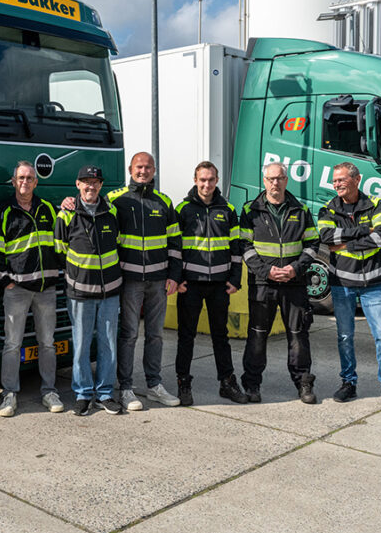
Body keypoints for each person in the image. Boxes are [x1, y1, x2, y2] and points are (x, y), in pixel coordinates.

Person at [318, 162, 381, 415]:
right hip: (342, 284)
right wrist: (365, 230)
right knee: (345, 337)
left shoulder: (376, 204)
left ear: (356, 180)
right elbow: (326, 238)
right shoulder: (327, 208)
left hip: (373, 284)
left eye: (341, 179)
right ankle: (348, 383)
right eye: (334, 181)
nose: (337, 184)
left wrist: (346, 245)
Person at [238, 162, 320, 404]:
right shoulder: (250, 210)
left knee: (298, 335)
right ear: (264, 181)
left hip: (295, 284)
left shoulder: (301, 209)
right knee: (257, 336)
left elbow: (313, 245)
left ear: (286, 180)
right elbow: (244, 246)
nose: (275, 183)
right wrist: (266, 271)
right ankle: (252, 386)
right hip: (263, 284)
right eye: (271, 178)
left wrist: (295, 269)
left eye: (280, 178)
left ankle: (304, 383)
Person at [0, 161, 64, 417]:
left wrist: (68, 205)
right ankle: (9, 394)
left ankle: (49, 391)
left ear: (36, 182)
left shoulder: (48, 209)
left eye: (30, 178)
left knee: (47, 343)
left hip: (46, 290)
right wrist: (5, 280)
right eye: (21, 177)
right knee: (12, 344)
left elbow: (64, 239)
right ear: (14, 180)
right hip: (16, 290)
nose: (25, 182)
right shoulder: (4, 211)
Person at [108, 152, 182, 410]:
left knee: (156, 335)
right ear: (130, 168)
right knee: (128, 334)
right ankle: (126, 388)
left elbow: (175, 243)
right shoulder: (115, 200)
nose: (144, 170)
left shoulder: (163, 201)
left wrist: (174, 276)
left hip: (158, 281)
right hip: (129, 281)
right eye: (139, 166)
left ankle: (154, 385)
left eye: (148, 166)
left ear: (154, 170)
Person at [54, 165, 124, 416]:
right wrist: (77, 276)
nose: (90, 186)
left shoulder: (112, 212)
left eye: (95, 182)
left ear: (101, 185)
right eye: (86, 182)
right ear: (77, 184)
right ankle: (83, 394)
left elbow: (120, 244)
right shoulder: (66, 214)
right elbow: (60, 249)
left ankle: (105, 393)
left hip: (110, 292)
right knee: (81, 345)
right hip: (80, 293)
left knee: (108, 345)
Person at [174, 161, 245, 406]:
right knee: (186, 336)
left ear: (217, 181)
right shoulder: (182, 209)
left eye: (211, 180)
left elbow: (236, 248)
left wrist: (235, 279)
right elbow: (174, 249)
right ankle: (183, 383)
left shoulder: (228, 209)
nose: (207, 184)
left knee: (220, 336)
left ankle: (227, 382)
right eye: (202, 180)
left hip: (219, 285)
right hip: (190, 285)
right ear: (195, 180)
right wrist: (178, 279)